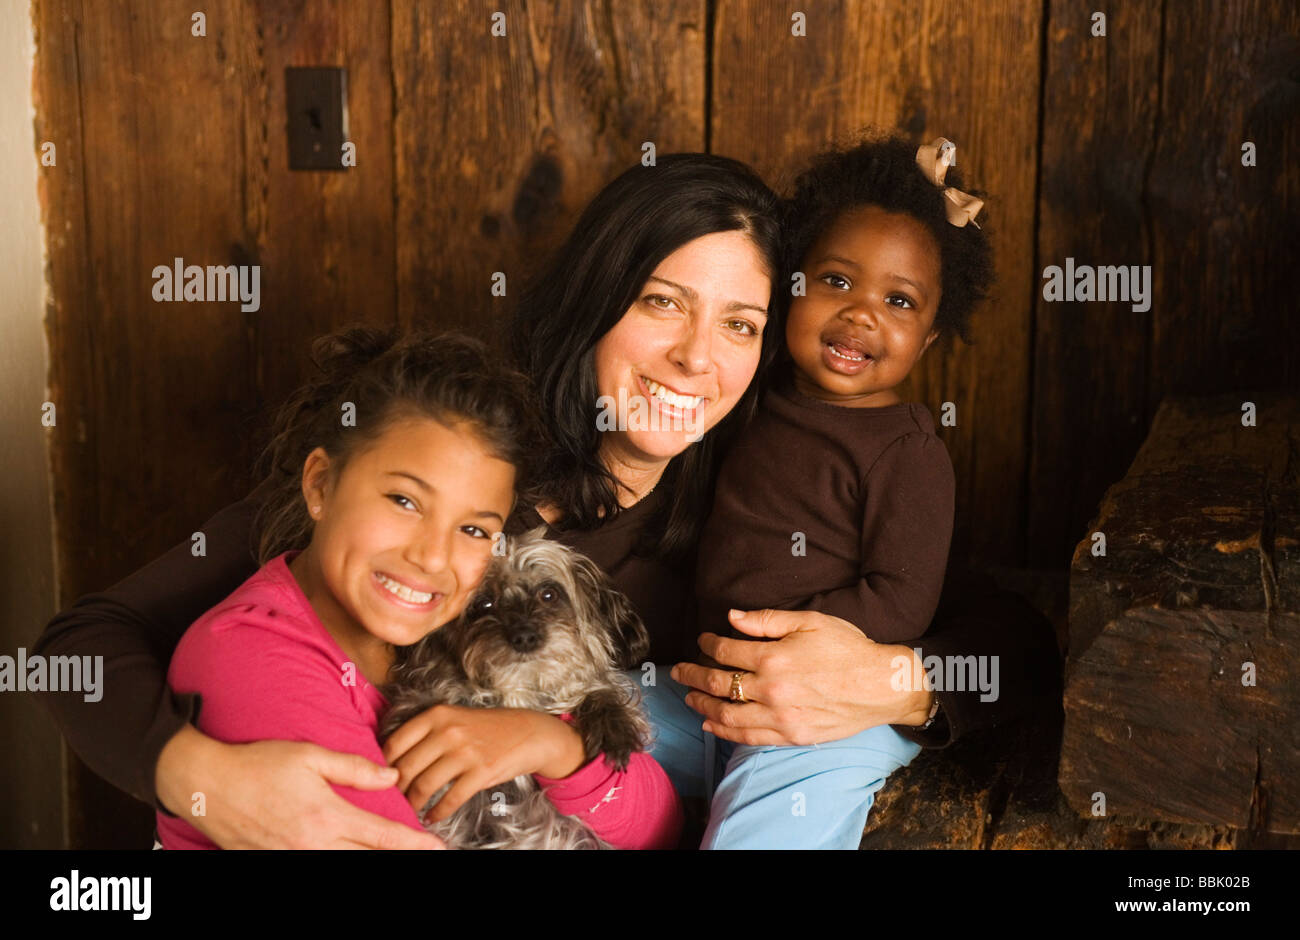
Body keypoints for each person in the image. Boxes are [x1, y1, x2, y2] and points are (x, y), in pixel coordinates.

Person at [34, 152, 1058, 849]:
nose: (698, 359)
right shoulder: (447, 462)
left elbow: (1009, 631)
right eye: (662, 302)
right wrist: (198, 775)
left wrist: (899, 682)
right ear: (597, 295)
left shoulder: (762, 464)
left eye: (741, 324)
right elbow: (85, 639)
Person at [155, 328, 681, 849]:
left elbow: (658, 823)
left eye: (474, 529)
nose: (432, 556)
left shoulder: (445, 636)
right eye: (404, 501)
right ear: (320, 484)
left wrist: (552, 744)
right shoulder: (252, 657)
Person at [643, 133, 993, 848]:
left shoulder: (907, 450)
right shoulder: (747, 397)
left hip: (837, 712)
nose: (862, 313)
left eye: (898, 300)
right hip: (713, 685)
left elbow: (902, 598)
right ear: (789, 287)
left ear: (927, 340)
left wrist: (789, 641)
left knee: (767, 827)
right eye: (836, 281)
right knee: (589, 713)